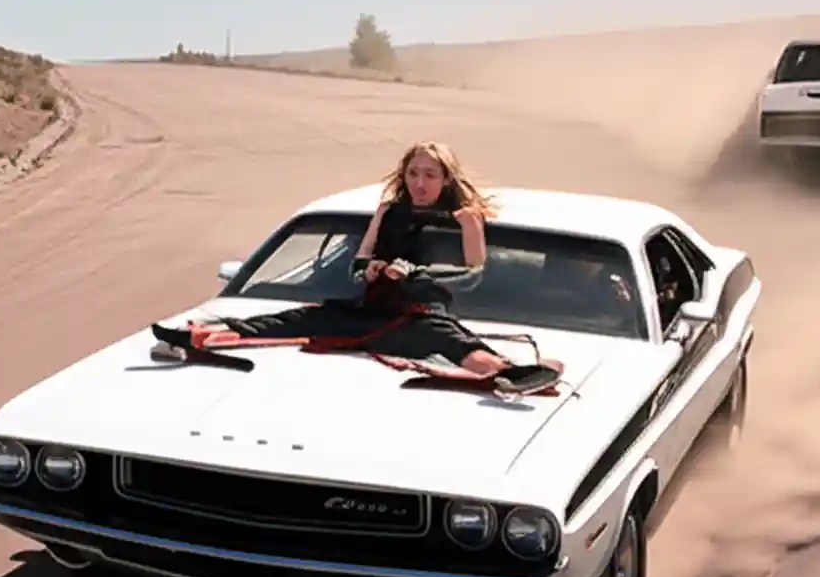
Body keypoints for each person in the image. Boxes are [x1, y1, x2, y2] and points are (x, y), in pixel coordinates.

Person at [150, 140, 563, 397]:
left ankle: (515, 375)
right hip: (370, 308)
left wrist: (418, 275)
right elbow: (358, 262)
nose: (420, 183)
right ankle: (199, 335)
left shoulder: (464, 218)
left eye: (430, 175)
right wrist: (368, 271)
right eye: (413, 173)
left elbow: (473, 274)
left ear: (446, 179)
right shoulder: (387, 211)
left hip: (420, 314)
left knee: (453, 342)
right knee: (297, 319)